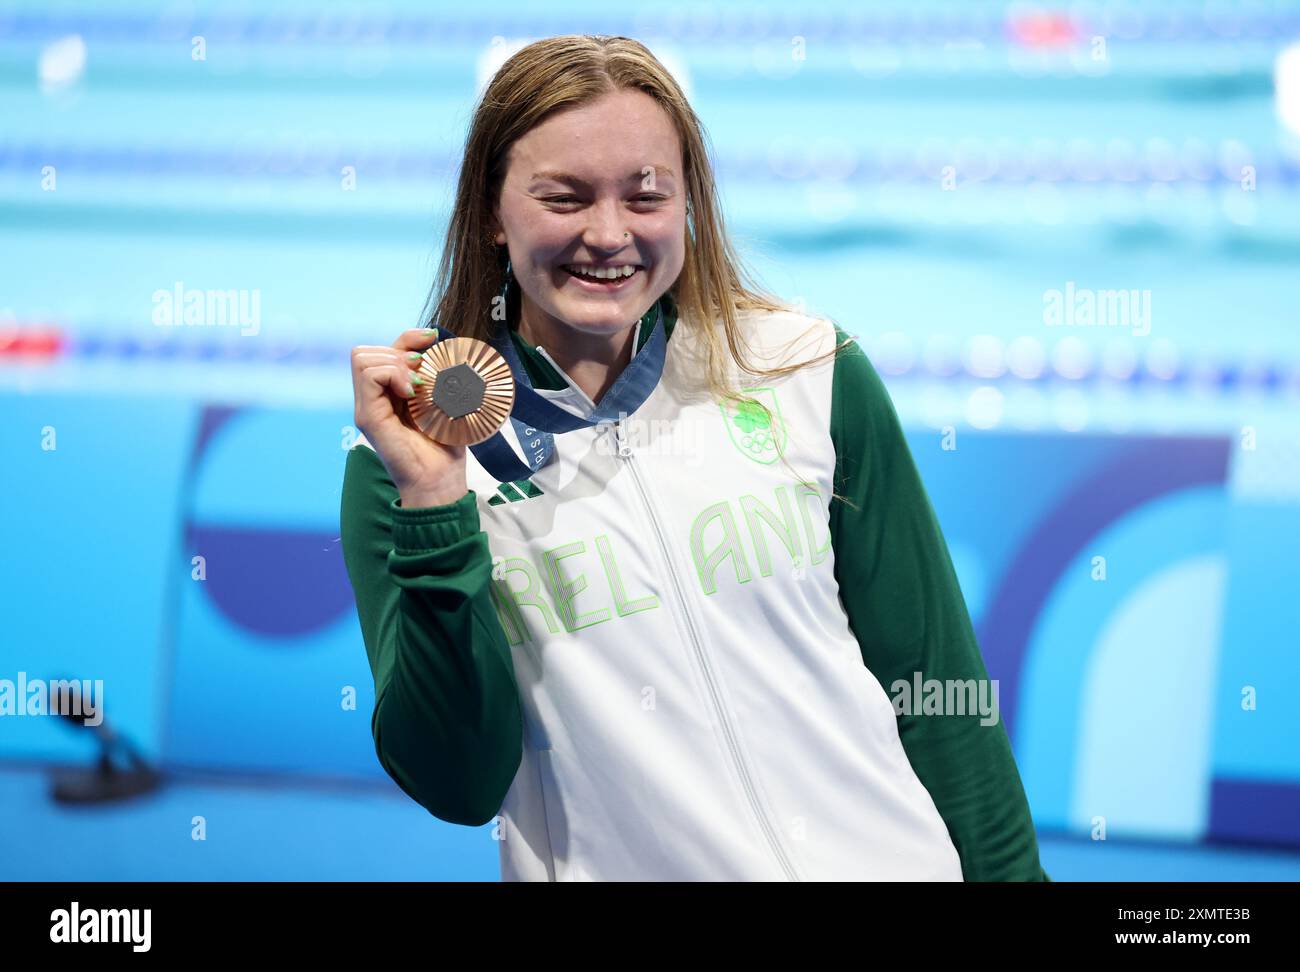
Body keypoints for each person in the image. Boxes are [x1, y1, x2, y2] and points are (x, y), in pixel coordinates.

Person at [341, 34, 1050, 882]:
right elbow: (457, 780)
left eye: (645, 196)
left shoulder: (806, 369)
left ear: (688, 203)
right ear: (492, 212)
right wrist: (436, 509)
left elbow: (938, 690)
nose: (608, 236)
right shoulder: (413, 460)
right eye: (564, 198)